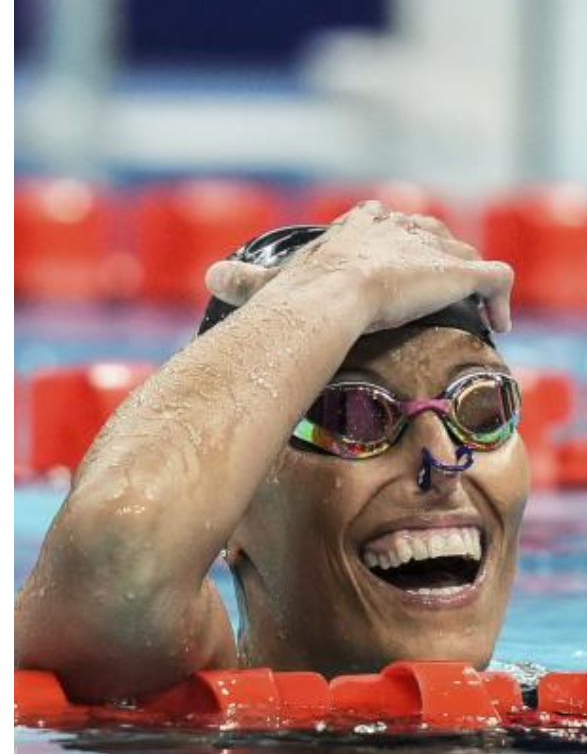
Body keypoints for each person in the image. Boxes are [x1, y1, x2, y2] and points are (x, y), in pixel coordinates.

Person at [16, 203, 523, 702]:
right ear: (229, 510)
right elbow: (116, 553)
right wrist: (339, 286)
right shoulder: (194, 717)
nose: (442, 462)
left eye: (481, 408)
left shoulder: (553, 710)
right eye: (354, 416)